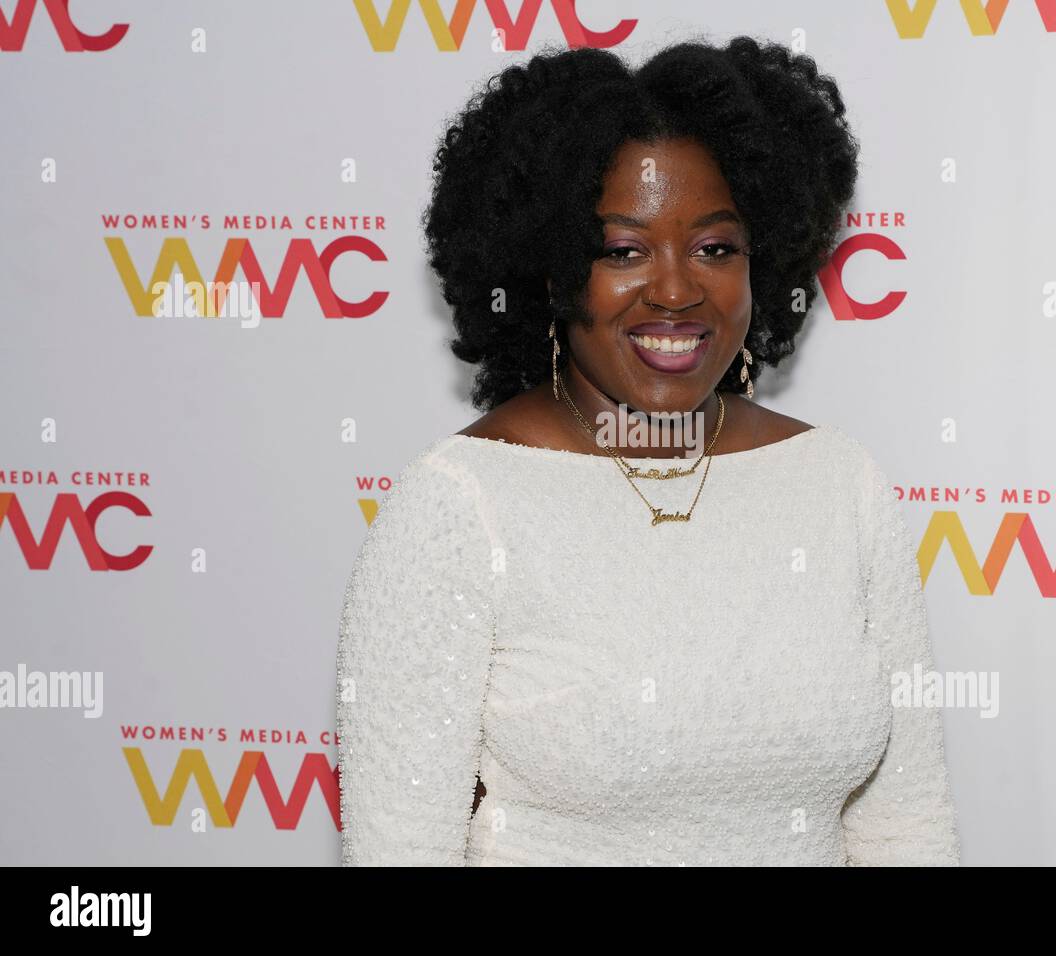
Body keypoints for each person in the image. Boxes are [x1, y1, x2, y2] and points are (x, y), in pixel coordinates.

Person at [335, 36, 960, 866]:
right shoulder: (460, 503)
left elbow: (905, 830)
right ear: (551, 273)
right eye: (622, 251)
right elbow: (400, 851)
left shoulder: (838, 484)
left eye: (715, 248)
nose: (674, 289)